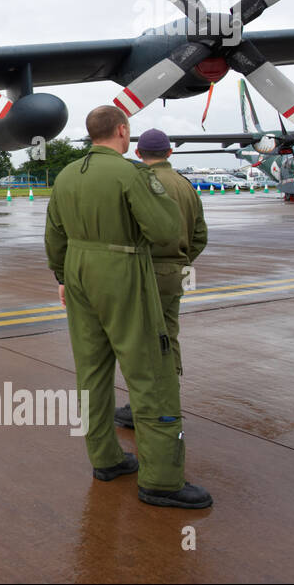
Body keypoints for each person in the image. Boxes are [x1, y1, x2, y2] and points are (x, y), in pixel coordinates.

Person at [44, 105, 213, 509]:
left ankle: (105, 458)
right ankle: (162, 480)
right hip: (121, 269)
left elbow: (54, 236)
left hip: (77, 272)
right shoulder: (129, 174)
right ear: (122, 132)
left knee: (92, 370)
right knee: (151, 371)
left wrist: (64, 277)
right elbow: (164, 229)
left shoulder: (67, 174)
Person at [115, 129, 208, 430]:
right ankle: (169, 398)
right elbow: (200, 236)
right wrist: (181, 260)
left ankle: (142, 406)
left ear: (138, 154)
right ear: (170, 153)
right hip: (175, 274)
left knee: (141, 341)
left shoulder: (140, 182)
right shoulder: (185, 184)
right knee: (168, 335)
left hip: (144, 273)